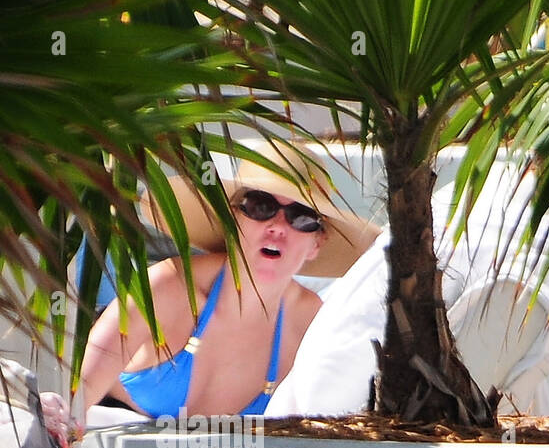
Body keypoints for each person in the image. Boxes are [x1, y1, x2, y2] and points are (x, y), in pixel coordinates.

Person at [79, 144, 380, 419]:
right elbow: (78, 390)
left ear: (317, 243)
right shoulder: (170, 286)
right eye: (260, 206)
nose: (277, 227)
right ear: (231, 220)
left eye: (301, 217)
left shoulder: (312, 325)